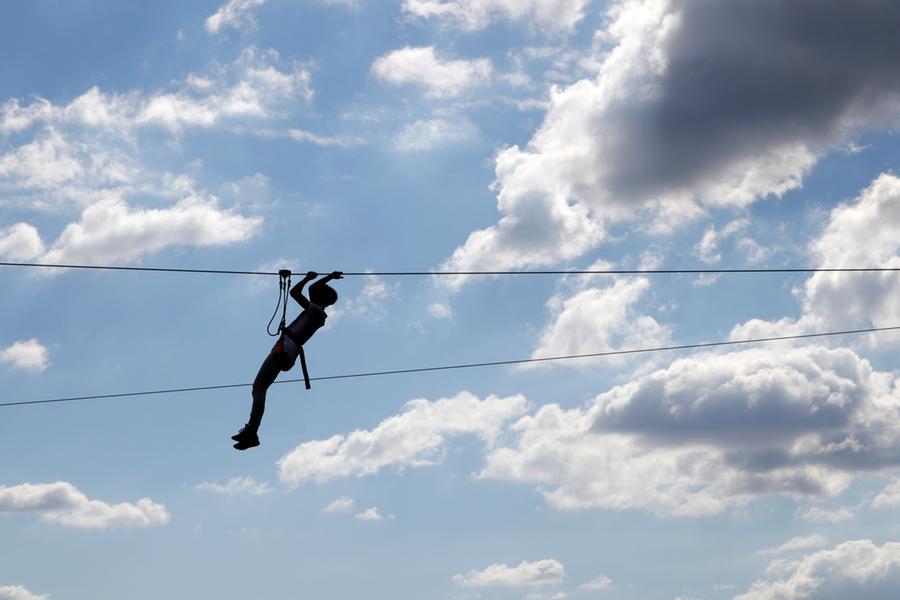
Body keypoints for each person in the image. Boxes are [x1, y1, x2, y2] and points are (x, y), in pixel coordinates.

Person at [232, 270, 343, 450]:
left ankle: (252, 431)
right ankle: (251, 430)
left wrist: (308, 278)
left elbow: (295, 293)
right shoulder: (317, 312)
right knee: (259, 388)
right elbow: (314, 288)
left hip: (284, 351)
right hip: (285, 350)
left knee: (259, 387)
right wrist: (328, 277)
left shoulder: (317, 312)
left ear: (322, 298)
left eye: (318, 292)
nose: (313, 291)